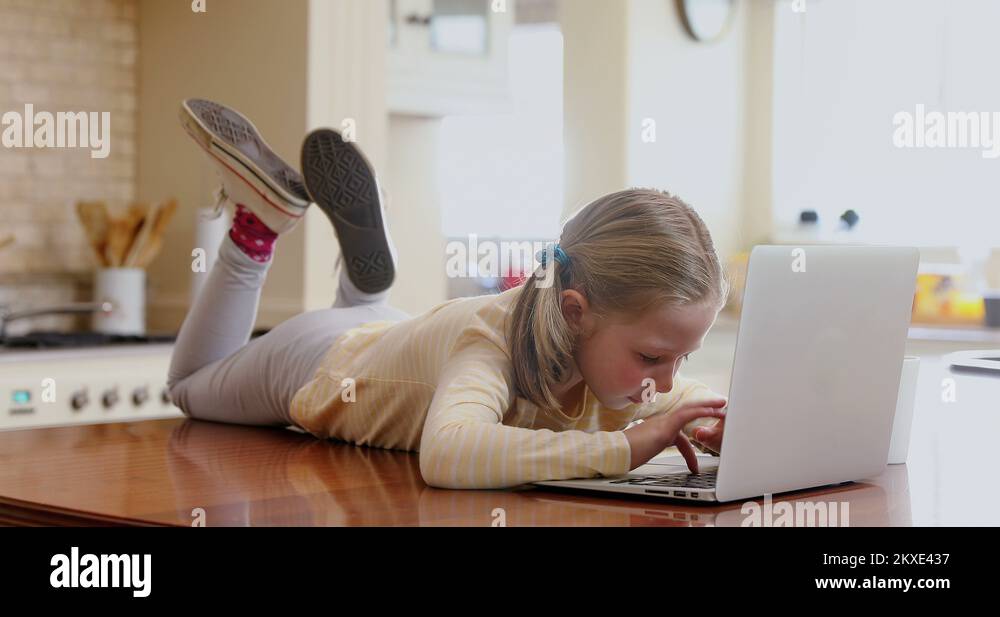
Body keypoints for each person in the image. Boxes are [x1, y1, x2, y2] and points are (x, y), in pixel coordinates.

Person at [167, 99, 729, 490]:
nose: (668, 381)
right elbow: (449, 452)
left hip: (386, 335)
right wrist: (626, 449)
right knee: (189, 387)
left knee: (373, 329)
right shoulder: (491, 342)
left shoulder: (600, 344)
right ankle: (256, 228)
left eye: (683, 358)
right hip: (319, 360)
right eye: (652, 357)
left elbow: (685, 403)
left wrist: (723, 426)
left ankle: (363, 288)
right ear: (575, 311)